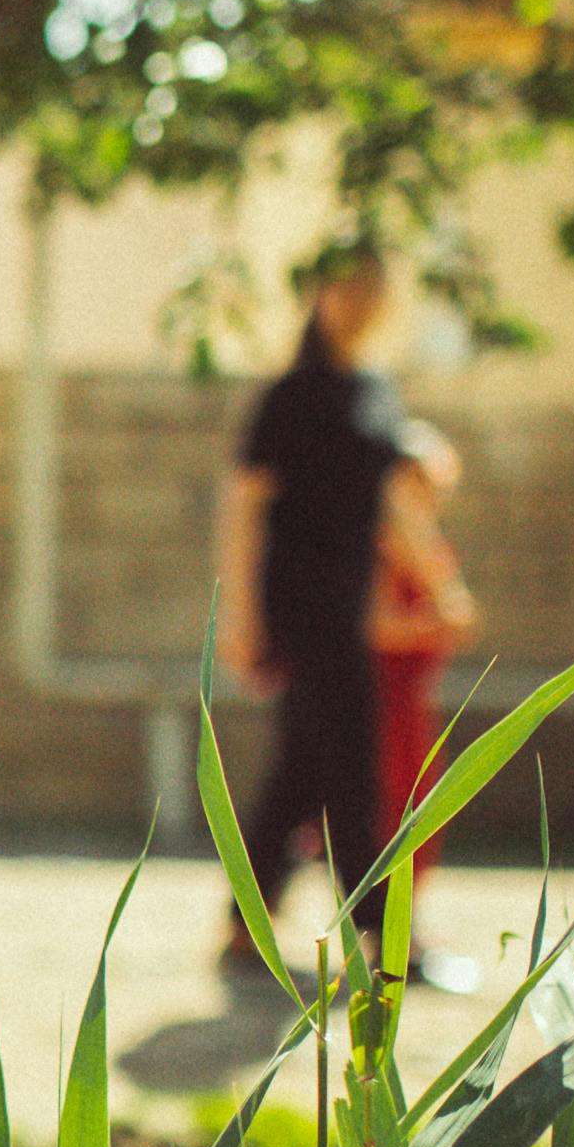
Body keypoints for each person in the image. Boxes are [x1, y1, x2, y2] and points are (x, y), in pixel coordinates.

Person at [213, 245, 418, 980]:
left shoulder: (377, 392)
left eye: (372, 287)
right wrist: (241, 618)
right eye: (346, 287)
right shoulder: (288, 396)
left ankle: (245, 922)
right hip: (300, 610)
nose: (359, 300)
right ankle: (384, 934)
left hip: (352, 608)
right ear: (319, 295)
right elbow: (242, 509)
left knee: (302, 770)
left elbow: (393, 498)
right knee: (351, 770)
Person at [368, 417, 483, 899]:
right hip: (382, 698)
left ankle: (404, 919)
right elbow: (376, 626)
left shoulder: (424, 541)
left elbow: (463, 615)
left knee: (421, 809)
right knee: (391, 810)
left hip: (415, 698)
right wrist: (436, 625)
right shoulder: (380, 546)